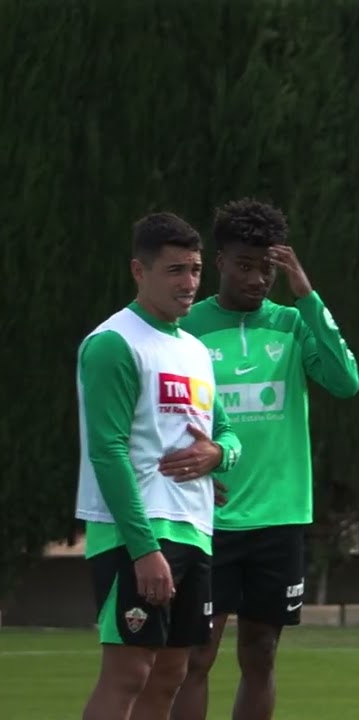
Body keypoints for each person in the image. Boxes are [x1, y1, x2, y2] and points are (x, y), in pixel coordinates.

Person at [170, 199, 359, 720]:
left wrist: (307, 296)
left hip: (279, 518)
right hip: (207, 516)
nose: (257, 279)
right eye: (245, 265)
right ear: (220, 262)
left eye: (267, 268)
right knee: (195, 656)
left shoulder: (293, 323)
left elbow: (346, 381)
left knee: (261, 654)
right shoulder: (188, 328)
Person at [76, 212, 242, 720]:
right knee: (129, 671)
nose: (189, 283)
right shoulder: (114, 343)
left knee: (173, 672)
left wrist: (218, 456)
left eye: (195, 269)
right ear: (139, 271)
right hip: (135, 533)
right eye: (174, 271)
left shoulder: (194, 350)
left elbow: (228, 434)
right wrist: (144, 548)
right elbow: (107, 450)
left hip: (195, 528)